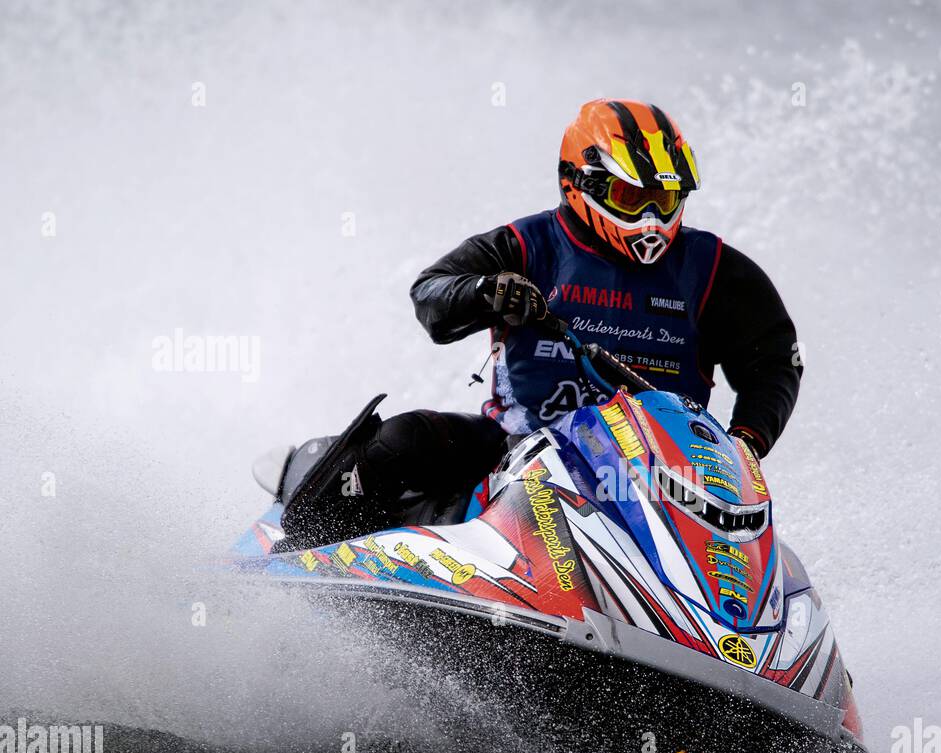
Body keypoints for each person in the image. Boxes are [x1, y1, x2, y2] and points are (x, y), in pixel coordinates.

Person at [280, 97, 801, 548]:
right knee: (405, 439)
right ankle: (308, 547)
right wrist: (487, 292)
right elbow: (430, 294)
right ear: (578, 184)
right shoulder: (526, 245)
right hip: (519, 446)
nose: (649, 219)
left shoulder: (715, 270)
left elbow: (775, 361)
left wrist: (744, 446)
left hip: (661, 475)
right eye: (629, 198)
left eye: (662, 200)